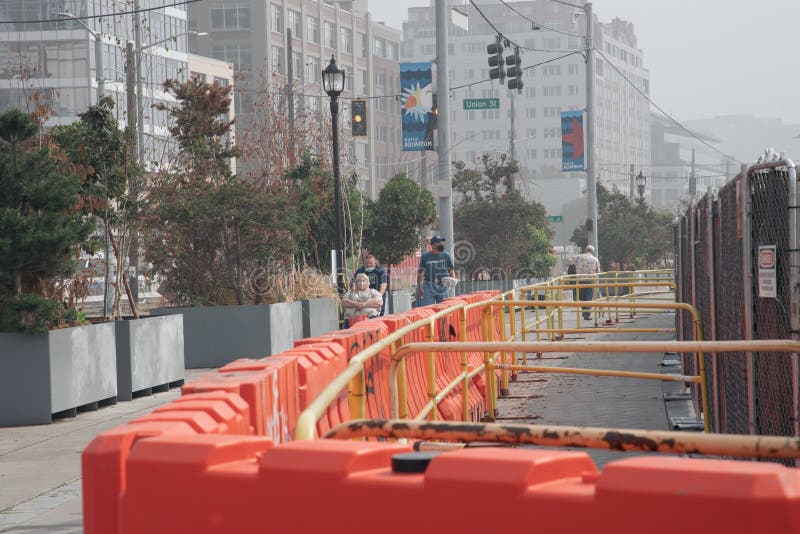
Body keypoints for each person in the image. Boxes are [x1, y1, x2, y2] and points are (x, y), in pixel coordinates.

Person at [417, 235, 456, 306]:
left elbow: (451, 271)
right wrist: (419, 288)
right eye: (438, 243)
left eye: (441, 242)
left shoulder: (446, 255)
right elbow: (420, 273)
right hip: (428, 285)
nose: (441, 244)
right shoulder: (425, 256)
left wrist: (451, 282)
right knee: (428, 308)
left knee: (443, 309)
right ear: (432, 245)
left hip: (442, 285)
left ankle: (443, 317)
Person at [575, 245, 601, 320]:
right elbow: (598, 271)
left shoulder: (579, 257)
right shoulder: (595, 259)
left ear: (585, 250)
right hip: (590, 280)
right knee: (588, 297)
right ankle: (587, 314)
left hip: (580, 279)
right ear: (592, 252)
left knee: (582, 297)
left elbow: (574, 265)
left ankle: (584, 312)